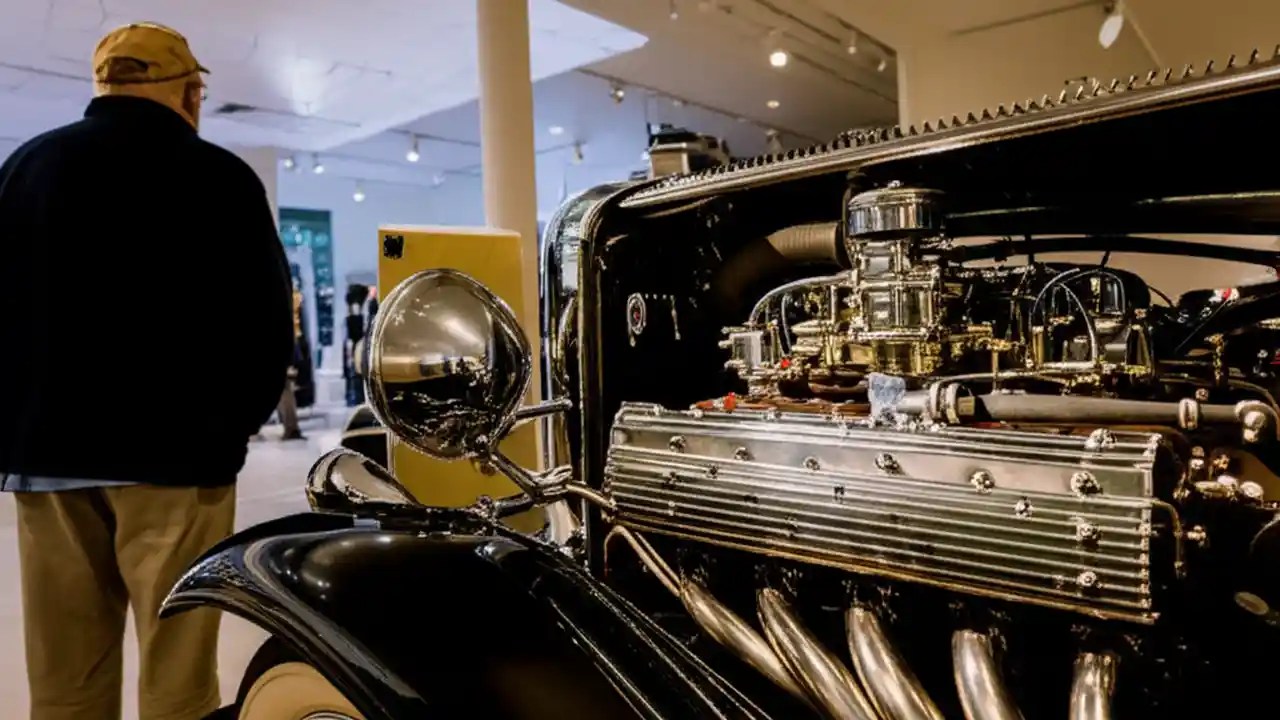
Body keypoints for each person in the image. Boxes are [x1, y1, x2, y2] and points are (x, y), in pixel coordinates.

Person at [0, 21, 294, 720]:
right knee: (179, 677)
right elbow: (263, 319)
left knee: (66, 678)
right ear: (190, 92)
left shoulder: (24, 170)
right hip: (177, 464)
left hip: (47, 463)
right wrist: (233, 428)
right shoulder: (221, 179)